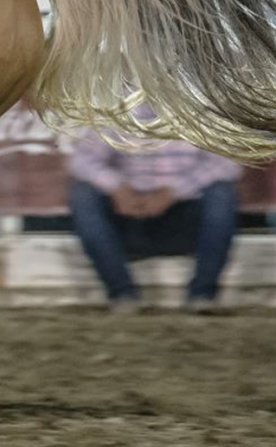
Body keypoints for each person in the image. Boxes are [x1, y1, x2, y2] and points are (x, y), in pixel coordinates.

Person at [67, 126, 242, 312]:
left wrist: (174, 192)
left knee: (221, 194)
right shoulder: (118, 111)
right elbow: (80, 160)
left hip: (184, 215)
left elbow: (228, 162)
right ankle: (122, 295)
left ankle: (203, 296)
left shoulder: (200, 112)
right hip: (128, 214)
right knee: (83, 195)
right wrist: (117, 187)